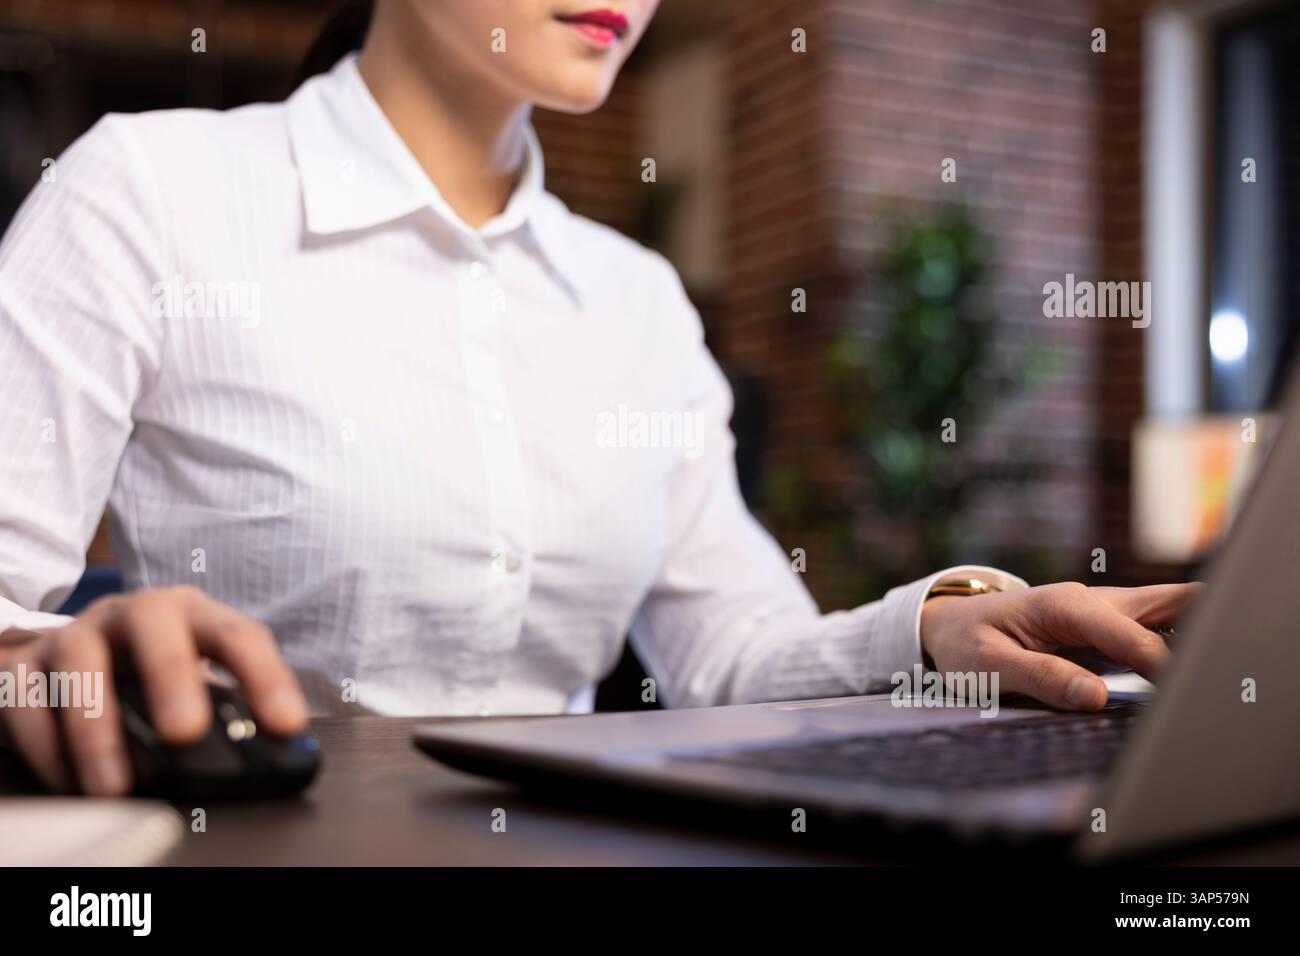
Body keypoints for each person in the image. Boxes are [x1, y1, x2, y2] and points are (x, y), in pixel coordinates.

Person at [0, 0, 1199, 796]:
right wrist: (56, 658)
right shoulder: (151, 191)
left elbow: (730, 656)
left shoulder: (634, 299)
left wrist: (938, 627)